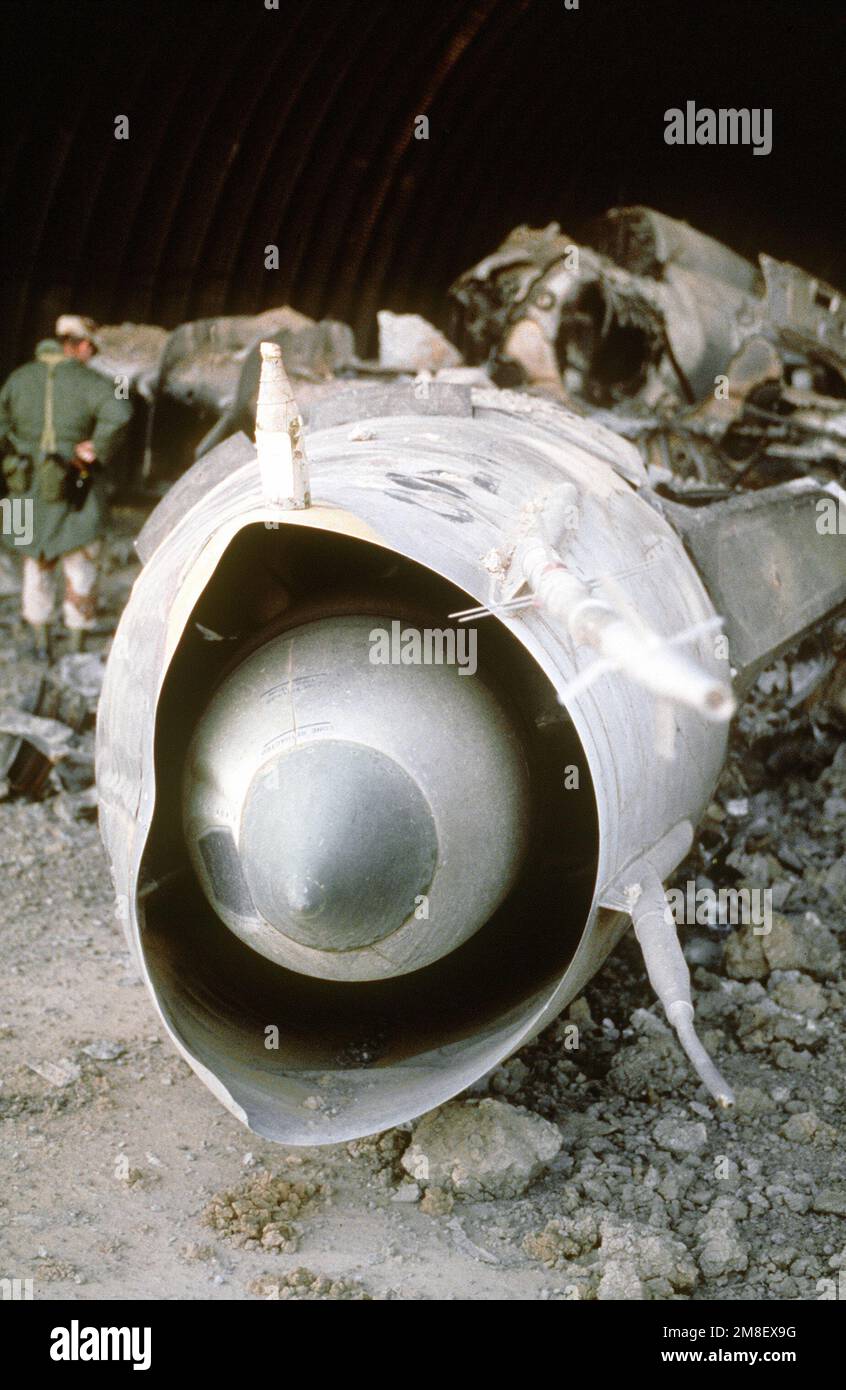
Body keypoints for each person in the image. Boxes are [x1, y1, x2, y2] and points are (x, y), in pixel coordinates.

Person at [0, 314, 131, 659]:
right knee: (81, 562)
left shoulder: (18, 378)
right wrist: (96, 448)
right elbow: (121, 412)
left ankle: (41, 641)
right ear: (84, 345)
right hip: (76, 482)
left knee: (33, 562)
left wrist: (14, 454)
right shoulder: (97, 381)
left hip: (23, 488)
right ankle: (75, 647)